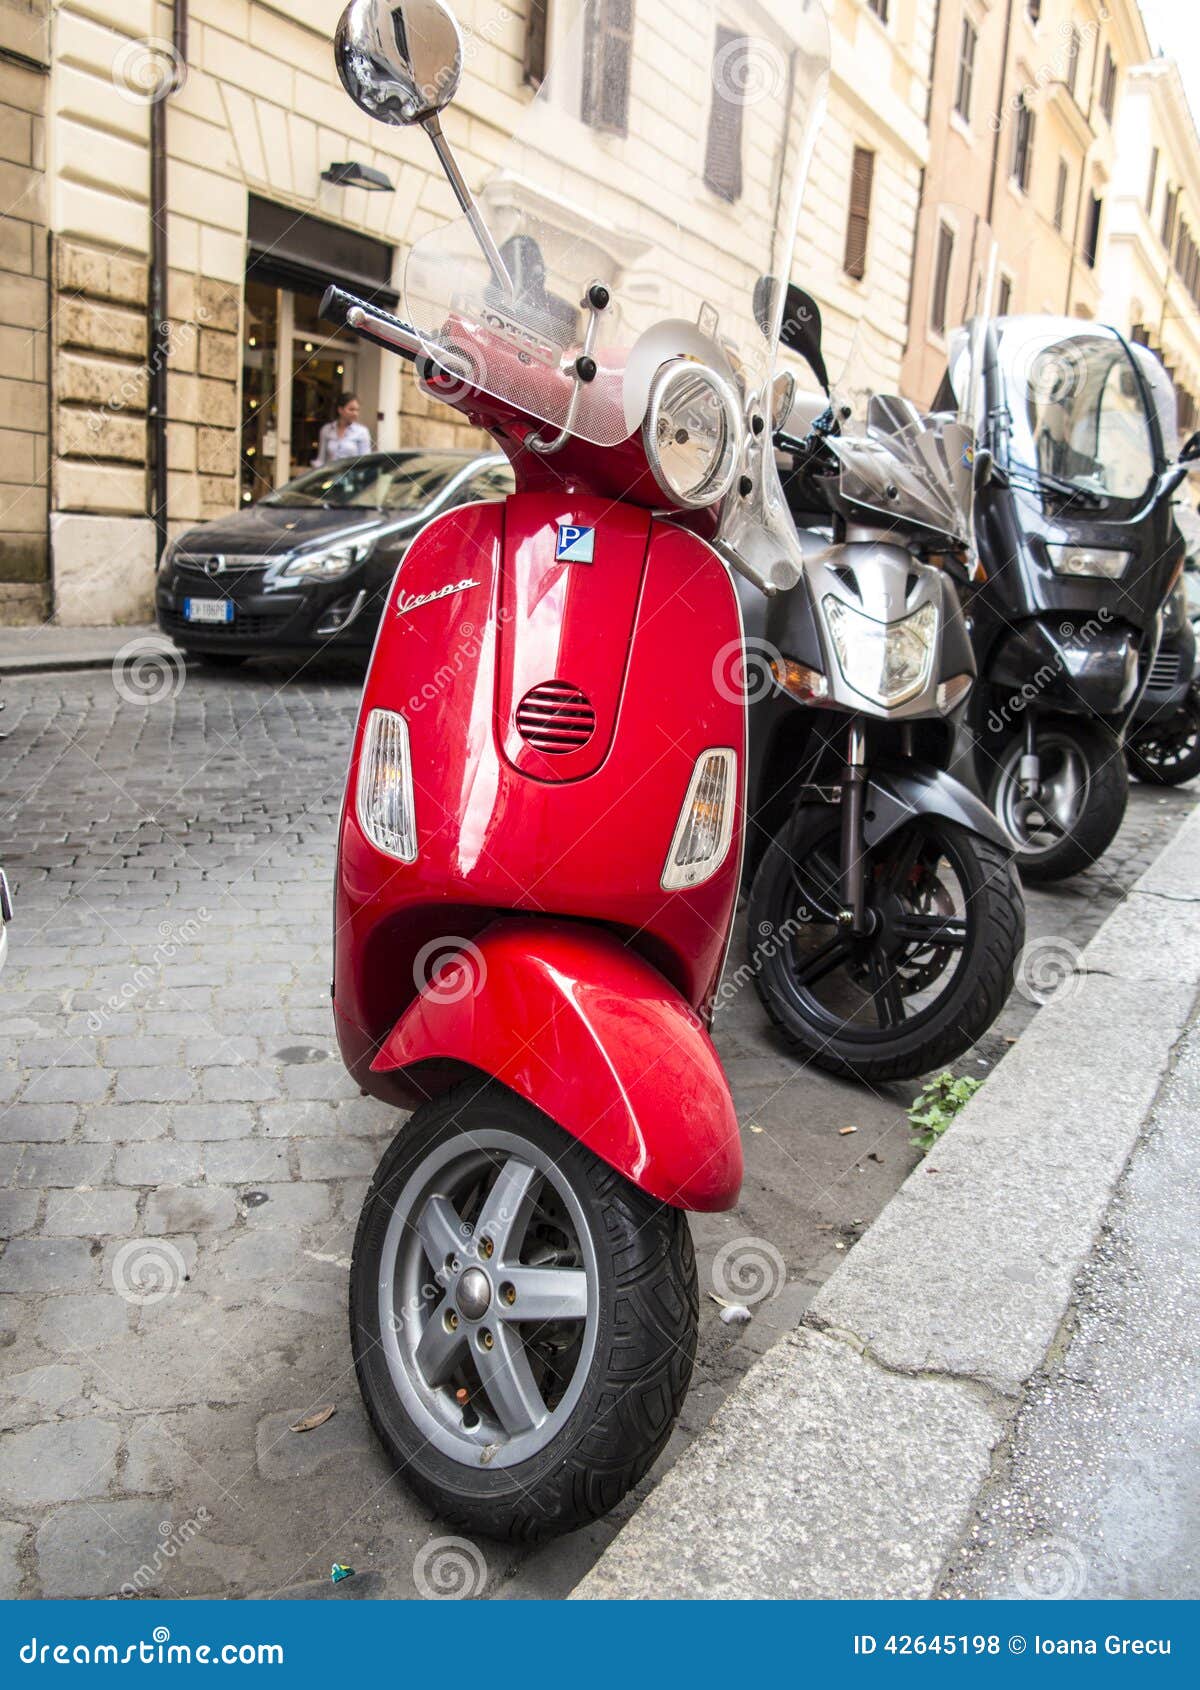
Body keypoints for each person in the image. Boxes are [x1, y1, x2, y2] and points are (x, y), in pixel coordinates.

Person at [313, 392, 372, 466]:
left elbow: (365, 461)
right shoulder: (326, 430)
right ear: (340, 410)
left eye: (357, 410)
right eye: (351, 409)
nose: (355, 413)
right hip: (331, 476)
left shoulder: (362, 432)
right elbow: (321, 459)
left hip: (351, 476)